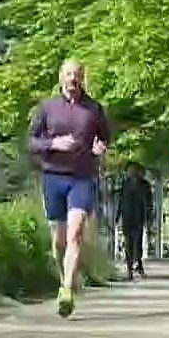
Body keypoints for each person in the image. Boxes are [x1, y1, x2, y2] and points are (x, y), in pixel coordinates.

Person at [29, 59, 111, 318]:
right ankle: (66, 276)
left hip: (82, 177)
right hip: (54, 176)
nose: (73, 79)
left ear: (83, 78)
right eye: (68, 74)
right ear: (60, 77)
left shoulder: (94, 109)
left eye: (77, 75)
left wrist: (101, 148)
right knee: (59, 240)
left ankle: (66, 290)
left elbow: (105, 138)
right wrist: (53, 144)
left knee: (75, 234)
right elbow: (31, 141)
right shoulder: (47, 107)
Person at [115, 162, 153, 280]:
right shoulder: (125, 184)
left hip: (139, 217)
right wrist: (118, 215)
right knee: (128, 244)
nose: (131, 172)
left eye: (133, 170)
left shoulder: (145, 185)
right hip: (127, 217)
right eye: (129, 170)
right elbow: (121, 201)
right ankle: (130, 269)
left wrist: (149, 217)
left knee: (137, 243)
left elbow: (149, 203)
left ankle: (138, 263)